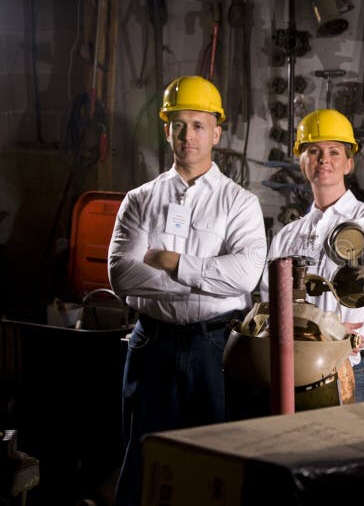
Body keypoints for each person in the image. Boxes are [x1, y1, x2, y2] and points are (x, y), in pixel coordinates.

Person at [108, 75, 267, 506]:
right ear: (166, 130)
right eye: (178, 125)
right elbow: (122, 275)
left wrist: (172, 263)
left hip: (215, 348)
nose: (188, 135)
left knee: (217, 461)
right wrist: (205, 281)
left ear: (217, 131)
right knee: (144, 456)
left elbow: (245, 277)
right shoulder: (140, 199)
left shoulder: (239, 204)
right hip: (152, 344)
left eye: (198, 125)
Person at [259, 108, 364, 403]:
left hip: (348, 367)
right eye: (313, 151)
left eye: (334, 152)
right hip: (294, 368)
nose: (324, 159)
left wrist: (312, 327)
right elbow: (270, 302)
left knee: (346, 449)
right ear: (302, 162)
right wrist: (323, 328)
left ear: (349, 164)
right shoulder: (287, 235)